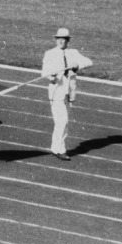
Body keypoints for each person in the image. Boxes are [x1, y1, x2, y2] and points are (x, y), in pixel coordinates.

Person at [39, 27, 92, 161]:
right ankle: (60, 150)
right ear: (56, 40)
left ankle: (55, 148)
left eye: (65, 39)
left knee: (62, 123)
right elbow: (45, 73)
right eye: (59, 39)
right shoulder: (49, 53)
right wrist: (54, 76)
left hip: (69, 93)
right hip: (57, 92)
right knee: (62, 121)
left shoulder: (73, 52)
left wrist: (76, 65)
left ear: (68, 40)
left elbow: (89, 62)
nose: (62, 41)